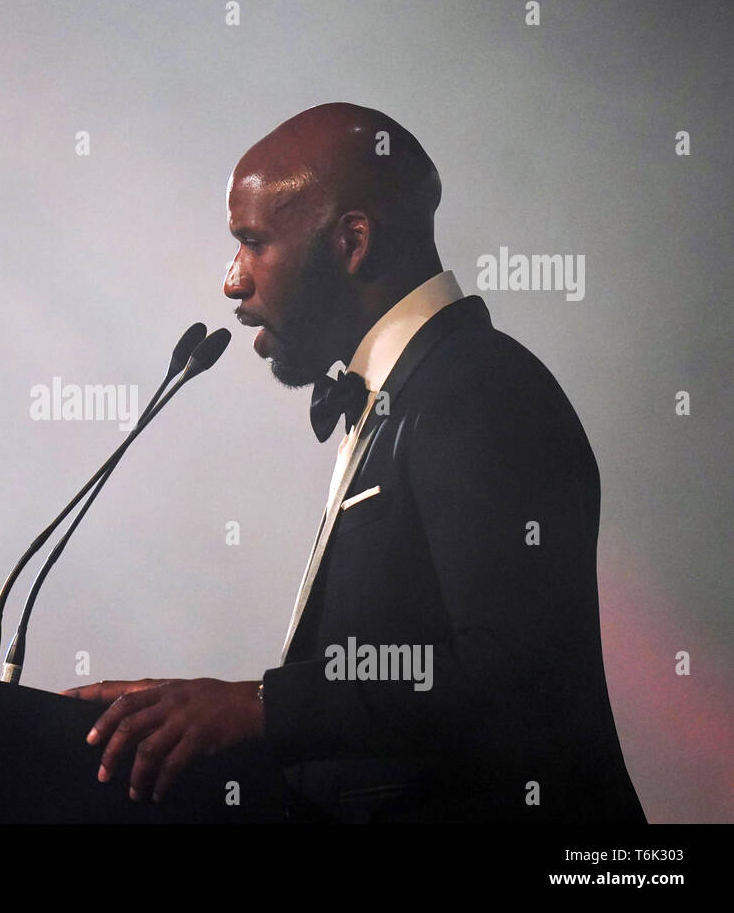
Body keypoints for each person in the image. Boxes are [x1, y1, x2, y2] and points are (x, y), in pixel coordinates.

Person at [61, 102, 645, 823]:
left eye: (252, 242)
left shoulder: (481, 390)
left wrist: (260, 706)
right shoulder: (411, 391)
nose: (231, 282)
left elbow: (515, 674)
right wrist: (187, 721)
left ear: (353, 241)